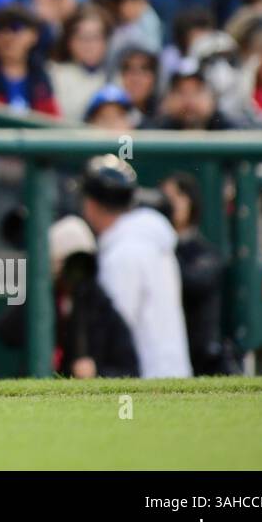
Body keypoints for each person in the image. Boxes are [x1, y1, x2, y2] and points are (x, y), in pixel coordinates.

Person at [81, 155, 192, 378]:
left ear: (91, 204)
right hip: (172, 374)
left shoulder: (123, 252)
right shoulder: (149, 237)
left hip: (145, 381)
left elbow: (118, 329)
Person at [0, 215, 139, 378]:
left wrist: (97, 372)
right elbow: (5, 333)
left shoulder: (101, 306)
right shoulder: (44, 299)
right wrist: (44, 281)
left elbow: (130, 371)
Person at [161, 172, 233, 375]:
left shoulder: (204, 254)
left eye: (175, 198)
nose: (170, 206)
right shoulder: (151, 250)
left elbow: (194, 282)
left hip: (200, 359)